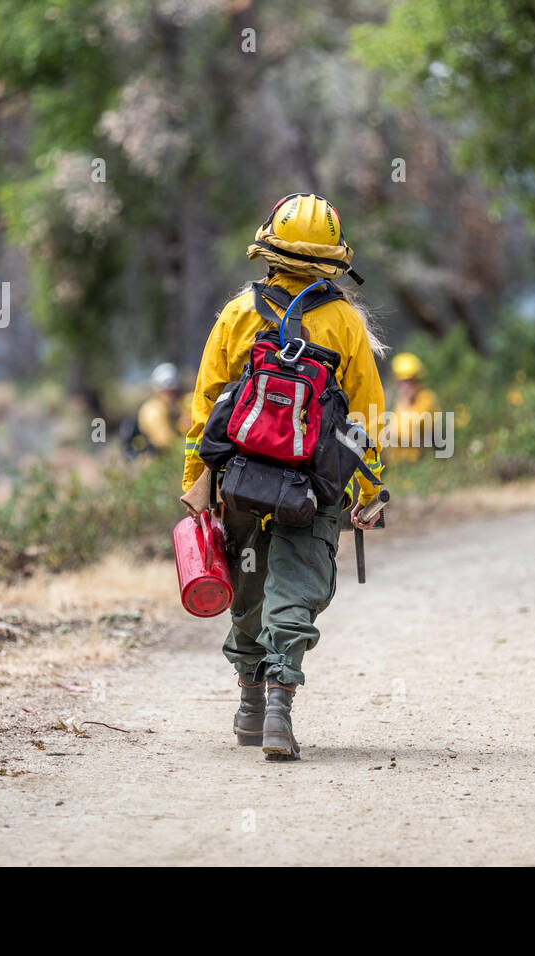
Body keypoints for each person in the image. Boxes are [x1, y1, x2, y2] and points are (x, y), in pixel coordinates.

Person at [179, 192, 386, 761]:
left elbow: (206, 407)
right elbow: (365, 415)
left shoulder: (238, 314)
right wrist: (368, 492)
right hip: (314, 486)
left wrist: (198, 480)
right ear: (333, 260)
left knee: (248, 584)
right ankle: (277, 707)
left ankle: (248, 701)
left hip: (241, 480)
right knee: (296, 584)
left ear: (267, 248)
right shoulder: (344, 322)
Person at [385, 351, 439, 463]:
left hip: (418, 464)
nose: (405, 387)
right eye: (402, 382)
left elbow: (411, 433)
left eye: (409, 382)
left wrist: (391, 431)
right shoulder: (402, 403)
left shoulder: (426, 399)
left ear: (417, 380)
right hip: (397, 466)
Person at [129, 363, 189, 456]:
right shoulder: (152, 411)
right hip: (160, 460)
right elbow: (165, 442)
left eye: (173, 391)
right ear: (156, 390)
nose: (170, 395)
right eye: (166, 392)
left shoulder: (181, 404)